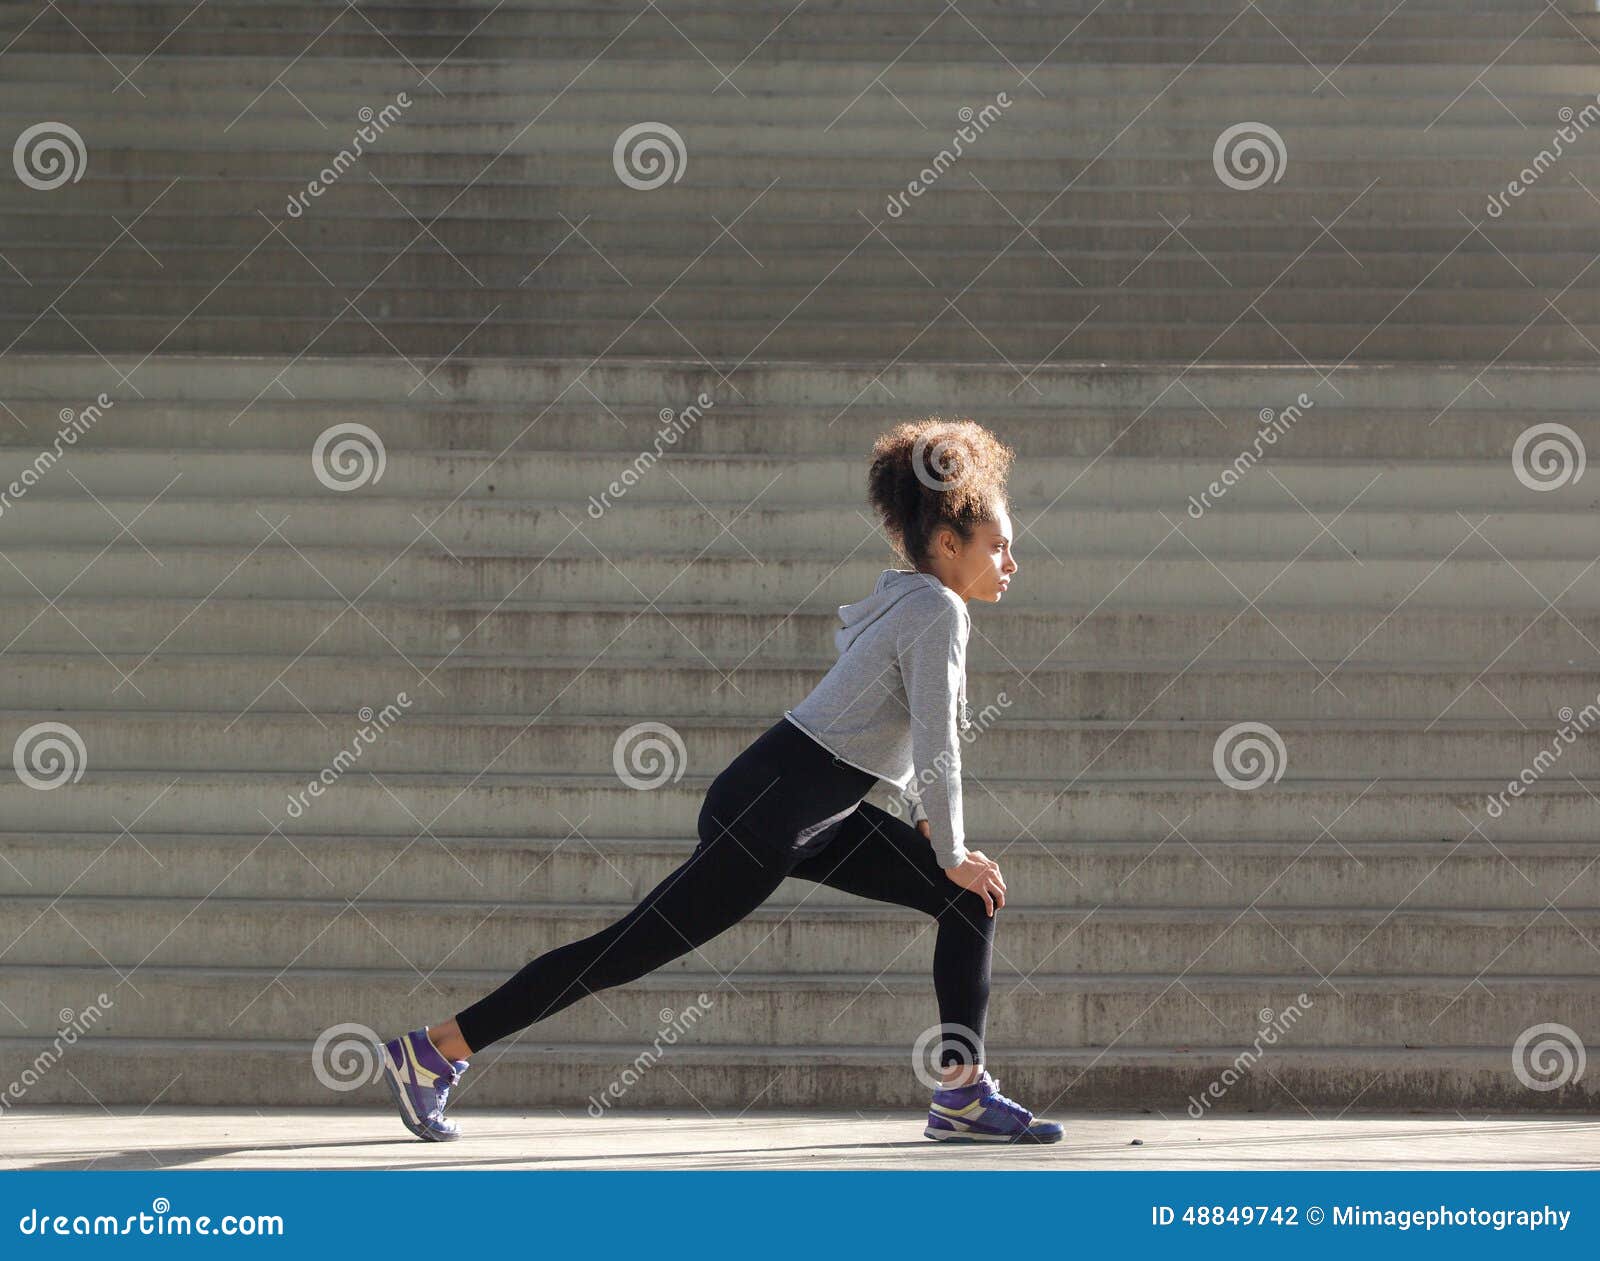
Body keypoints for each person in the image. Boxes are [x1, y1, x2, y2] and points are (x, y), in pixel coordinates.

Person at [375, 417, 1062, 1144]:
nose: (1012, 561)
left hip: (812, 805)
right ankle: (435, 1049)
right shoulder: (935, 608)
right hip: (774, 806)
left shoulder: (916, 603)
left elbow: (924, 730)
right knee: (625, 950)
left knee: (968, 901)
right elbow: (937, 741)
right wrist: (951, 849)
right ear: (949, 544)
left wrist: (936, 834)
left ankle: (960, 1092)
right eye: (1000, 545)